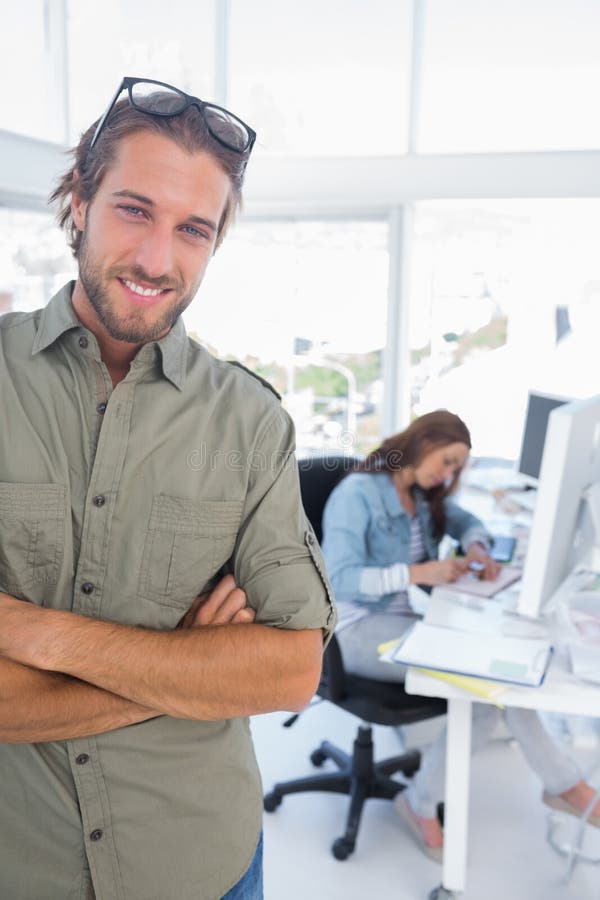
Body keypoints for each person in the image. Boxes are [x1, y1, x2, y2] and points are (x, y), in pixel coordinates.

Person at [0, 77, 335, 900]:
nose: (157, 260)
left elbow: (290, 672)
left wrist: (39, 634)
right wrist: (188, 666)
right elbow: (239, 677)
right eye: (134, 210)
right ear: (79, 201)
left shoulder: (253, 422)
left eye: (193, 229)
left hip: (206, 869)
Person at [322, 410, 600, 862]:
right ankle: (563, 787)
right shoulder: (359, 494)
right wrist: (420, 571)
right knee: (487, 693)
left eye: (456, 467)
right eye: (447, 460)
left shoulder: (418, 491)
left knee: (492, 689)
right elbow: (341, 578)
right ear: (422, 441)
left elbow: (468, 520)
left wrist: (476, 546)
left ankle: (558, 787)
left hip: (397, 624)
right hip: (354, 633)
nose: (448, 474)